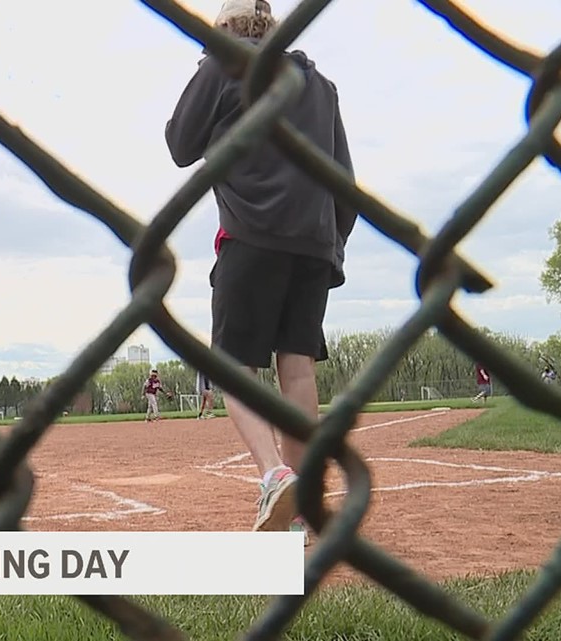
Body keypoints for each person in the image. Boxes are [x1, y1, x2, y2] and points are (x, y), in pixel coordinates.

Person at [164, 0, 356, 542]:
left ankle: (275, 476)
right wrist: (332, 243)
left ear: (223, 27)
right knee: (296, 367)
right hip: (315, 242)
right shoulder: (320, 86)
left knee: (232, 367)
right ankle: (304, 507)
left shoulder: (223, 62)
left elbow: (181, 145)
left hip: (251, 234)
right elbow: (346, 181)